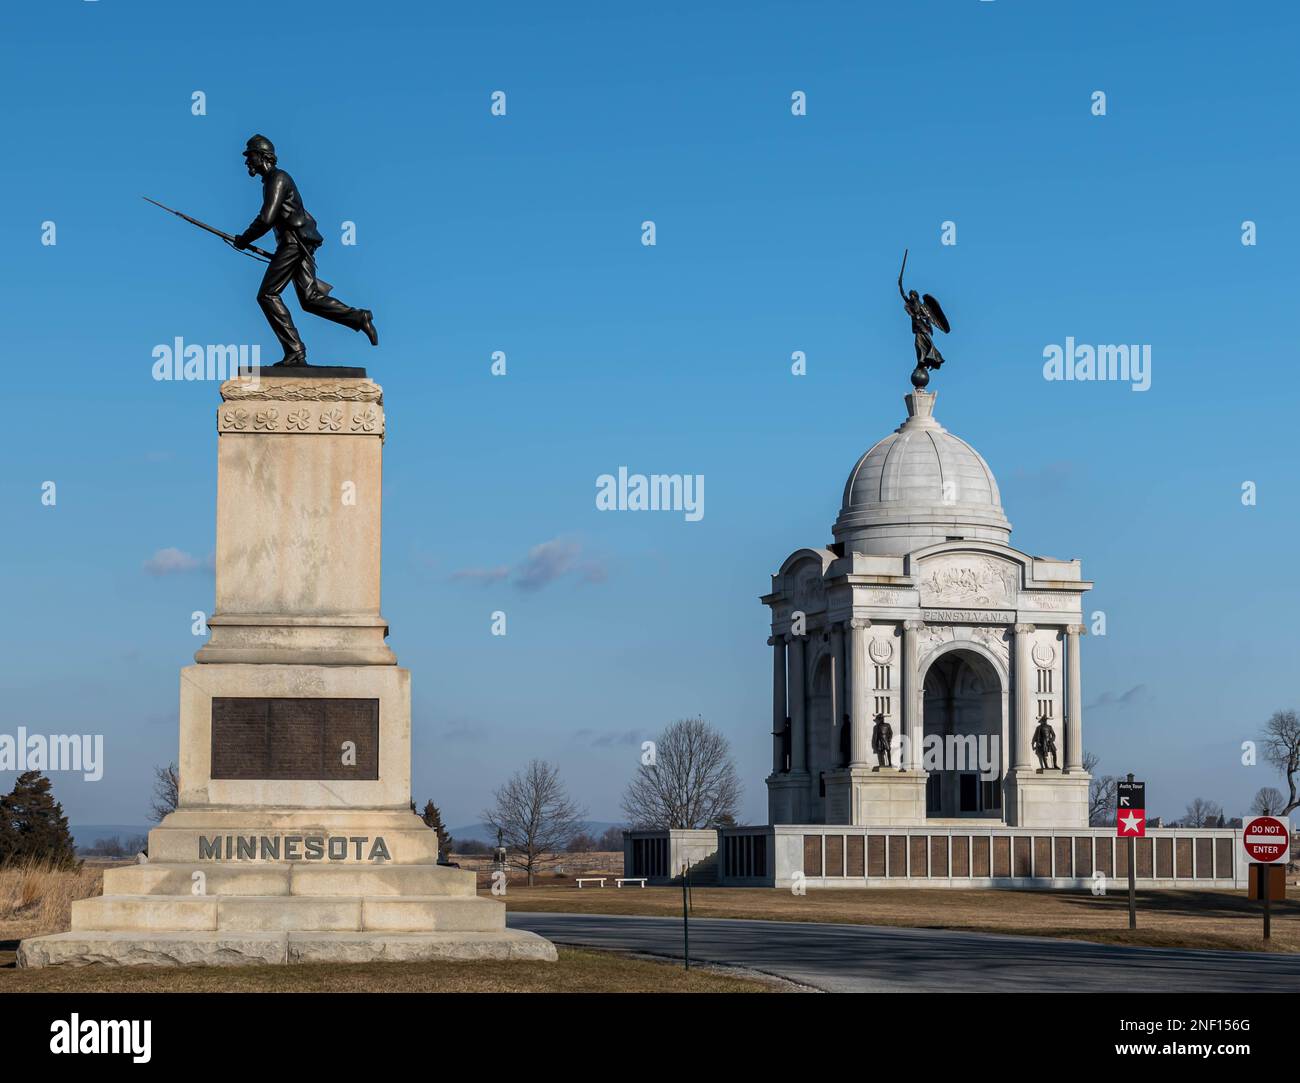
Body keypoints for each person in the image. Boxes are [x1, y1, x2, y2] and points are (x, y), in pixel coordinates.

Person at [233, 135, 377, 366]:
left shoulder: (277, 179)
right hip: (297, 243)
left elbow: (267, 218)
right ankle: (360, 317)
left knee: (267, 294)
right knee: (310, 298)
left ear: (263, 156)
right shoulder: (273, 180)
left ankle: (295, 350)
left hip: (293, 243)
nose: (247, 161)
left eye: (250, 156)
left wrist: (244, 238)